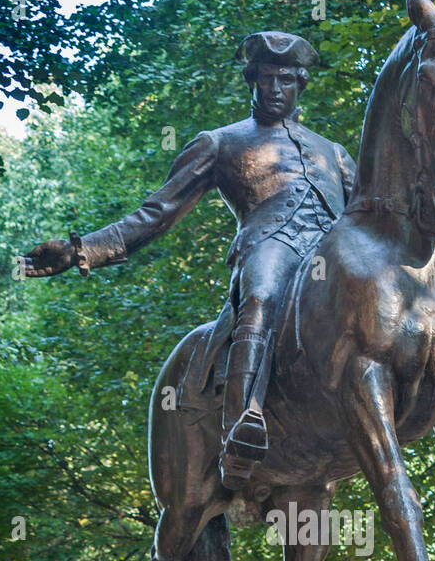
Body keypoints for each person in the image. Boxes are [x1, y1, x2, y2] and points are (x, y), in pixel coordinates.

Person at [22, 32, 356, 488]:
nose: (275, 89)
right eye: (265, 79)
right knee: (260, 294)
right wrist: (82, 249)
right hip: (271, 245)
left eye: (286, 80)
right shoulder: (220, 143)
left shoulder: (333, 152)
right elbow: (156, 212)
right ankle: (243, 423)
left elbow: (366, 215)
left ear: (300, 84)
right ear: (250, 81)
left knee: (398, 300)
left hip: (336, 256)